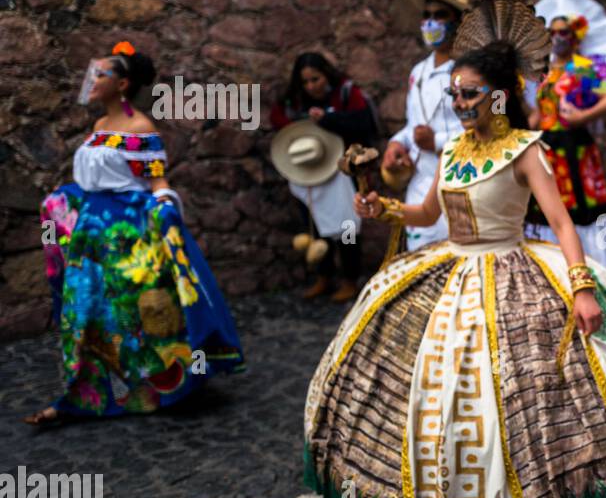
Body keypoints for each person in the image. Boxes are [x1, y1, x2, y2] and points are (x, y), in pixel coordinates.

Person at [304, 0, 606, 498]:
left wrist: (582, 288)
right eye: (453, 94)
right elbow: (428, 216)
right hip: (451, 266)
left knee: (530, 390)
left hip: (516, 268)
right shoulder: (455, 150)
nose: (458, 103)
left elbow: (560, 221)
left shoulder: (525, 150)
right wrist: (383, 209)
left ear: (499, 96)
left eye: (468, 93)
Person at [30, 42, 244, 424]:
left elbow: (156, 179)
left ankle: (165, 388)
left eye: (101, 74)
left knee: (139, 315)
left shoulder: (141, 128)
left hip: (129, 235)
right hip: (91, 235)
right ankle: (85, 395)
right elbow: (94, 180)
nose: (92, 81)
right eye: (93, 73)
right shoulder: (98, 128)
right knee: (87, 313)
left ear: (123, 84)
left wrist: (164, 208)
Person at [269, 52, 379, 302]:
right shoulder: (293, 101)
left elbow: (364, 123)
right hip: (308, 172)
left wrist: (329, 120)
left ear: (326, 75)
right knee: (314, 227)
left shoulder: (346, 93)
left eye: (315, 79)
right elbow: (277, 119)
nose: (310, 86)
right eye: (305, 82)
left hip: (341, 171)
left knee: (348, 226)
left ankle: (350, 277)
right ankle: (324, 275)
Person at [523, 14, 606, 268]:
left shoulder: (580, 66)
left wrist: (583, 117)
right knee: (546, 203)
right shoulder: (543, 69)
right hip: (547, 146)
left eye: (564, 32)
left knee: (579, 202)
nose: (558, 38)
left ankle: (588, 261)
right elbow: (539, 111)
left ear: (574, 36)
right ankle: (553, 261)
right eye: (553, 33)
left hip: (574, 146)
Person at [383, 0, 472, 250]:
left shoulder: (471, 72)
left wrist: (438, 141)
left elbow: (487, 130)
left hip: (462, 183)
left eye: (440, 16)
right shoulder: (418, 72)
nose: (431, 23)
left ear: (459, 23)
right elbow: (414, 125)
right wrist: (397, 144)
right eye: (427, 16)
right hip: (421, 187)